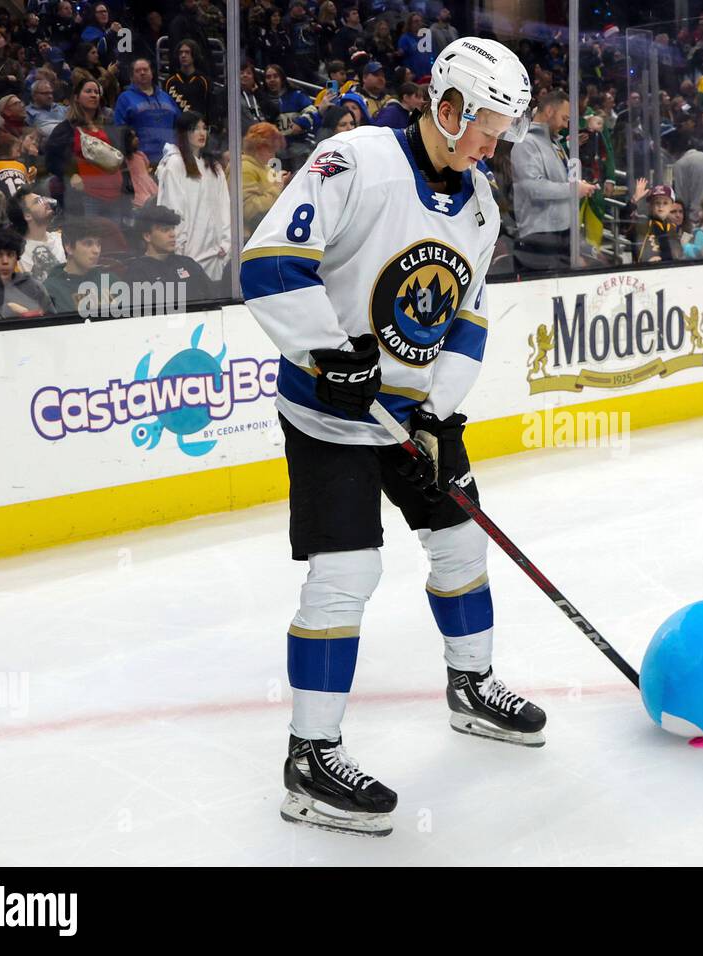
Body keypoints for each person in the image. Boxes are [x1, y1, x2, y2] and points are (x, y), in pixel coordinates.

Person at [239, 36, 542, 837]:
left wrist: (440, 411)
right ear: (450, 106)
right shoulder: (358, 162)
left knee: (463, 546)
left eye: (501, 133)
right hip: (329, 415)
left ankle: (471, 687)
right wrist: (329, 353)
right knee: (347, 572)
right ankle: (309, 759)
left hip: (413, 416)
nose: (491, 146)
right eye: (486, 129)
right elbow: (269, 265)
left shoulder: (480, 206)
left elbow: (467, 317)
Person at [511, 89, 596, 273]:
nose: (565, 125)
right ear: (549, 111)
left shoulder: (554, 143)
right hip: (539, 238)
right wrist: (574, 189)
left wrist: (578, 186)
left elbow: (560, 183)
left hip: (562, 234)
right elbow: (534, 188)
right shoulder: (526, 143)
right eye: (564, 118)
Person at [156, 111, 230, 281]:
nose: (202, 133)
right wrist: (178, 250)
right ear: (183, 133)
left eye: (204, 128)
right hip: (188, 253)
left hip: (216, 255)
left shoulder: (214, 167)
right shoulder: (175, 164)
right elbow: (173, 208)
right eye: (195, 129)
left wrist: (226, 243)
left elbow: (225, 206)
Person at [46, 77, 125, 219]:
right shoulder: (66, 128)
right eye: (88, 91)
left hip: (114, 195)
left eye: (96, 92)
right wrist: (70, 174)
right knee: (90, 232)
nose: (94, 95)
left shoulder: (108, 125)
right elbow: (51, 159)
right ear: (76, 97)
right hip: (87, 196)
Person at [124, 200, 213, 312]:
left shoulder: (188, 264)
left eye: (173, 228)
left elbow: (212, 298)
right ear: (147, 236)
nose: (172, 234)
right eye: (165, 230)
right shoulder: (137, 272)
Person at [43, 216, 121, 315]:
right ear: (69, 247)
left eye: (98, 244)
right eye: (88, 244)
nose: (96, 250)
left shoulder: (111, 280)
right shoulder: (51, 289)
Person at [112, 57, 181, 166]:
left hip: (171, 159)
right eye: (138, 71)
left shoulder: (165, 96)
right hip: (142, 160)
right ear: (132, 76)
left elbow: (179, 124)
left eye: (145, 69)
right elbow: (119, 130)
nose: (142, 73)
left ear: (152, 73)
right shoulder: (124, 98)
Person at [9, 185, 64, 282]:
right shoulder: (16, 255)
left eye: (42, 199)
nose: (46, 202)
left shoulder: (63, 238)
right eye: (38, 201)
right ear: (27, 215)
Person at [241, 120, 287, 234]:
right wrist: (276, 189)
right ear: (257, 147)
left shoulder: (265, 167)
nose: (273, 155)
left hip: (266, 231)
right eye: (270, 151)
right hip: (249, 235)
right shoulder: (244, 168)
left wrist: (285, 184)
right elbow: (247, 210)